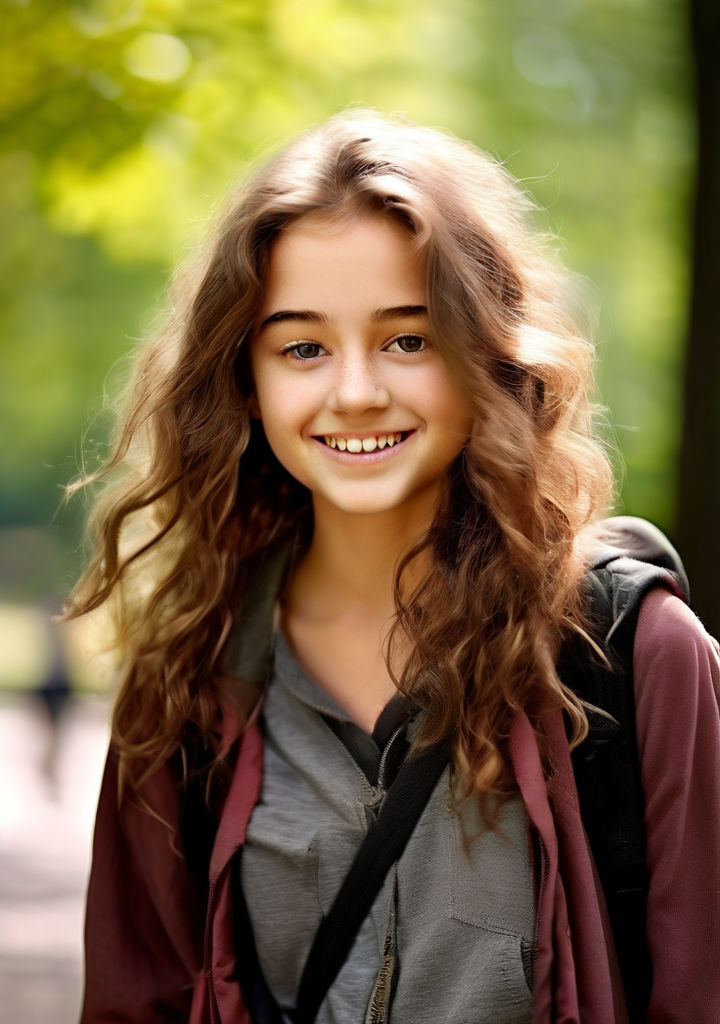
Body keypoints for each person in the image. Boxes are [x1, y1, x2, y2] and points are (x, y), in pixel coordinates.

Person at [68, 110, 720, 1023]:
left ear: (488, 350)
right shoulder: (190, 677)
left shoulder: (635, 654)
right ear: (245, 383)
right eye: (302, 347)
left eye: (408, 338)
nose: (356, 390)